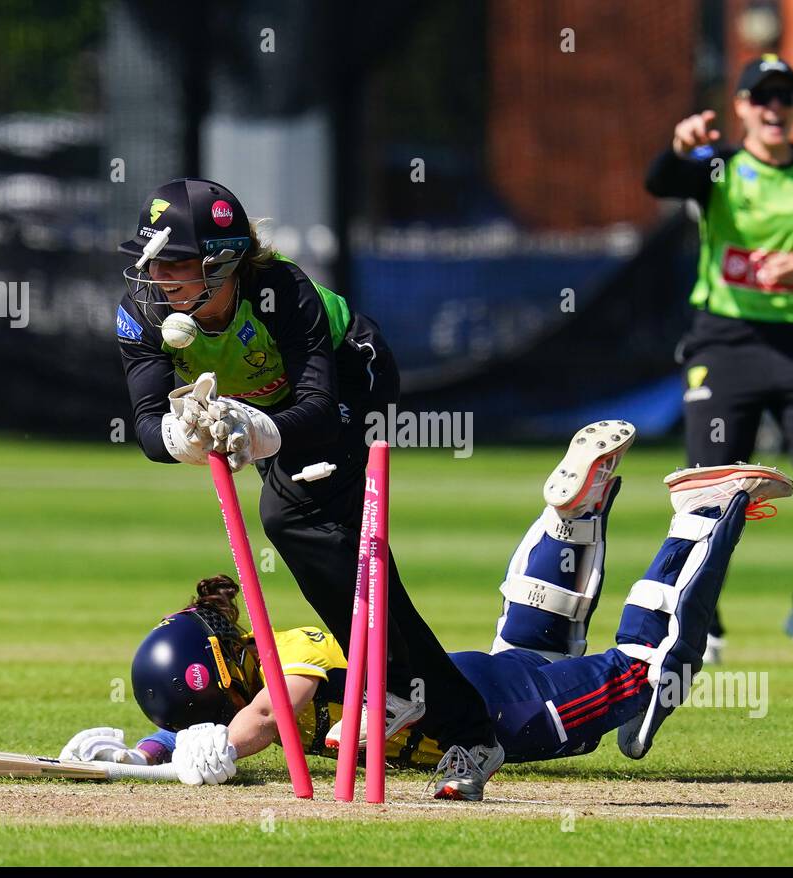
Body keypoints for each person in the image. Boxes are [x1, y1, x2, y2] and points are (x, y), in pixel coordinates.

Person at [60, 423, 793, 791]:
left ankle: (702, 512)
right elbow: (221, 724)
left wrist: (223, 747)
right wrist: (142, 754)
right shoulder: (253, 683)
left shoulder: (288, 662)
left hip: (505, 713)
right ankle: (572, 520)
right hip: (482, 687)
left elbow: (275, 708)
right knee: (538, 644)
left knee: (640, 671)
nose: (242, 636)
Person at [114, 177, 504, 798]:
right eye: (154, 263)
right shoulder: (142, 313)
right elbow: (145, 427)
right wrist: (182, 435)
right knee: (348, 560)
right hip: (275, 409)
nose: (159, 278)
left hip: (356, 383)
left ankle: (403, 691)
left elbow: (320, 409)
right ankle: (450, 719)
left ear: (224, 264)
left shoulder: (280, 291)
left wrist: (251, 425)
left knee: (293, 517)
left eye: (176, 264)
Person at [645, 54, 793, 667]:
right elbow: (660, 183)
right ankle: (702, 622)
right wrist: (679, 148)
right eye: (760, 98)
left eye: (783, 97)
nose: (773, 109)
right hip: (725, 341)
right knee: (708, 487)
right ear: (740, 107)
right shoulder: (719, 168)